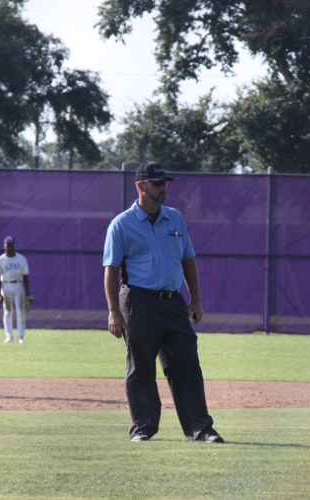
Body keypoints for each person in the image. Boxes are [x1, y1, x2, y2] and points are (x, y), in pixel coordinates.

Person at [103, 162, 223, 443]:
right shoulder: (121, 223)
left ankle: (201, 428)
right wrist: (113, 312)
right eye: (157, 183)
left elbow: (188, 260)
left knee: (187, 361)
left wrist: (195, 299)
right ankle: (143, 428)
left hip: (173, 303)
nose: (163, 187)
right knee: (141, 366)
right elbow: (111, 269)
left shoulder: (175, 218)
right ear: (141, 186)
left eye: (165, 183)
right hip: (138, 301)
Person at [0, 236, 31, 343]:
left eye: (12, 245)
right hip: (6, 285)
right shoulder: (0, 260)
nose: (10, 247)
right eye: (8, 245)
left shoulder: (21, 259)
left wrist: (28, 292)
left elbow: (25, 276)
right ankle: (9, 336)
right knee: (7, 311)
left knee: (20, 311)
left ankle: (20, 336)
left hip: (18, 285)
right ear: (4, 246)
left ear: (15, 246)